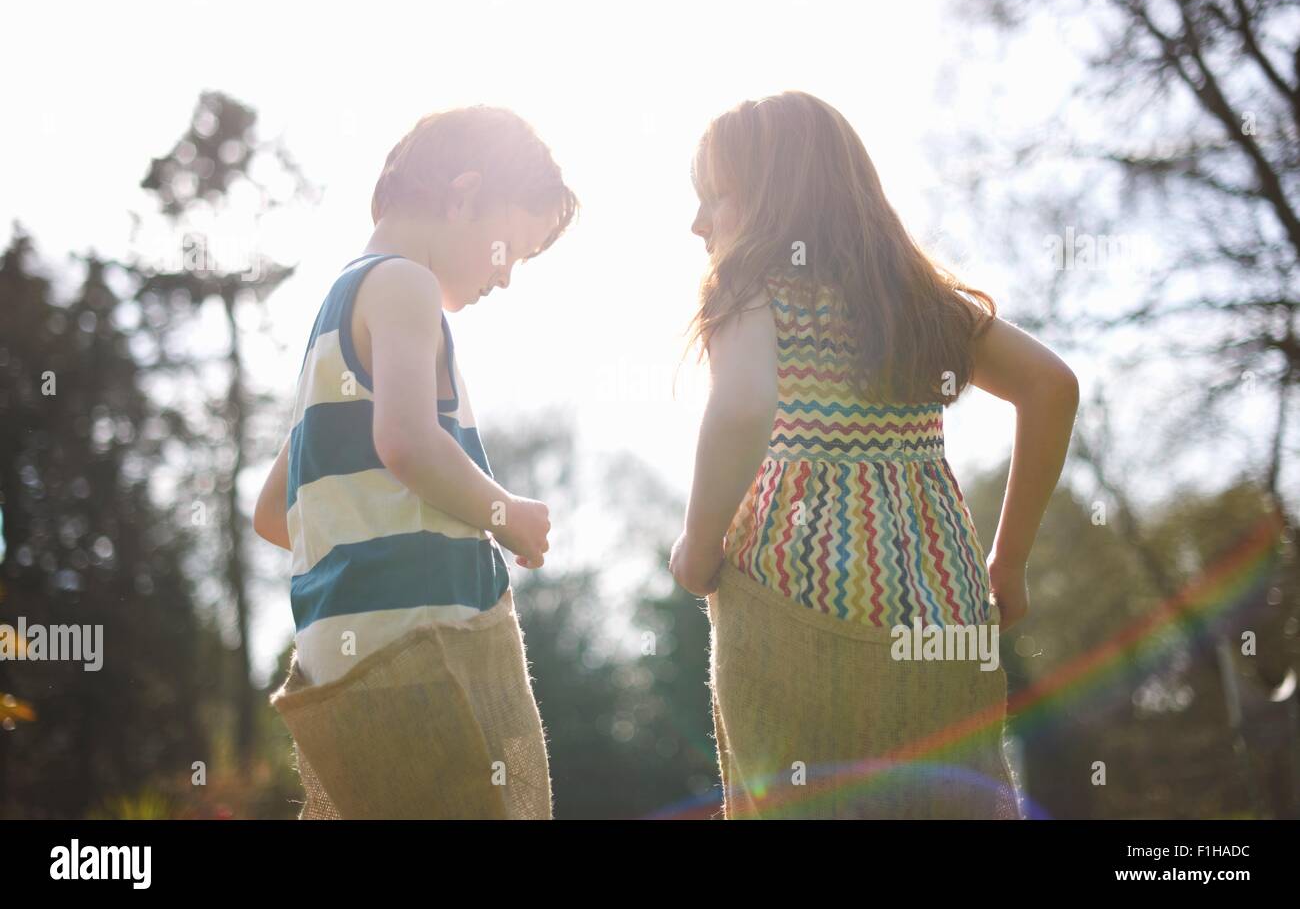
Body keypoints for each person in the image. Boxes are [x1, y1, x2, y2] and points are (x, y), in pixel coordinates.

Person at [670, 91, 1078, 818]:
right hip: (939, 594)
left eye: (715, 197)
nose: (697, 223)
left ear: (773, 196)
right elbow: (1051, 386)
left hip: (792, 585)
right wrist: (1006, 561)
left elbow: (740, 406)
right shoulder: (919, 302)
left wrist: (697, 544)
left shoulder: (747, 286)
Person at [253, 106, 576, 819]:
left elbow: (274, 512)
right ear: (463, 197)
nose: (508, 278)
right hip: (421, 641)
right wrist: (508, 515)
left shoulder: (333, 328)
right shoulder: (406, 286)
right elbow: (407, 441)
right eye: (512, 250)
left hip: (345, 658)